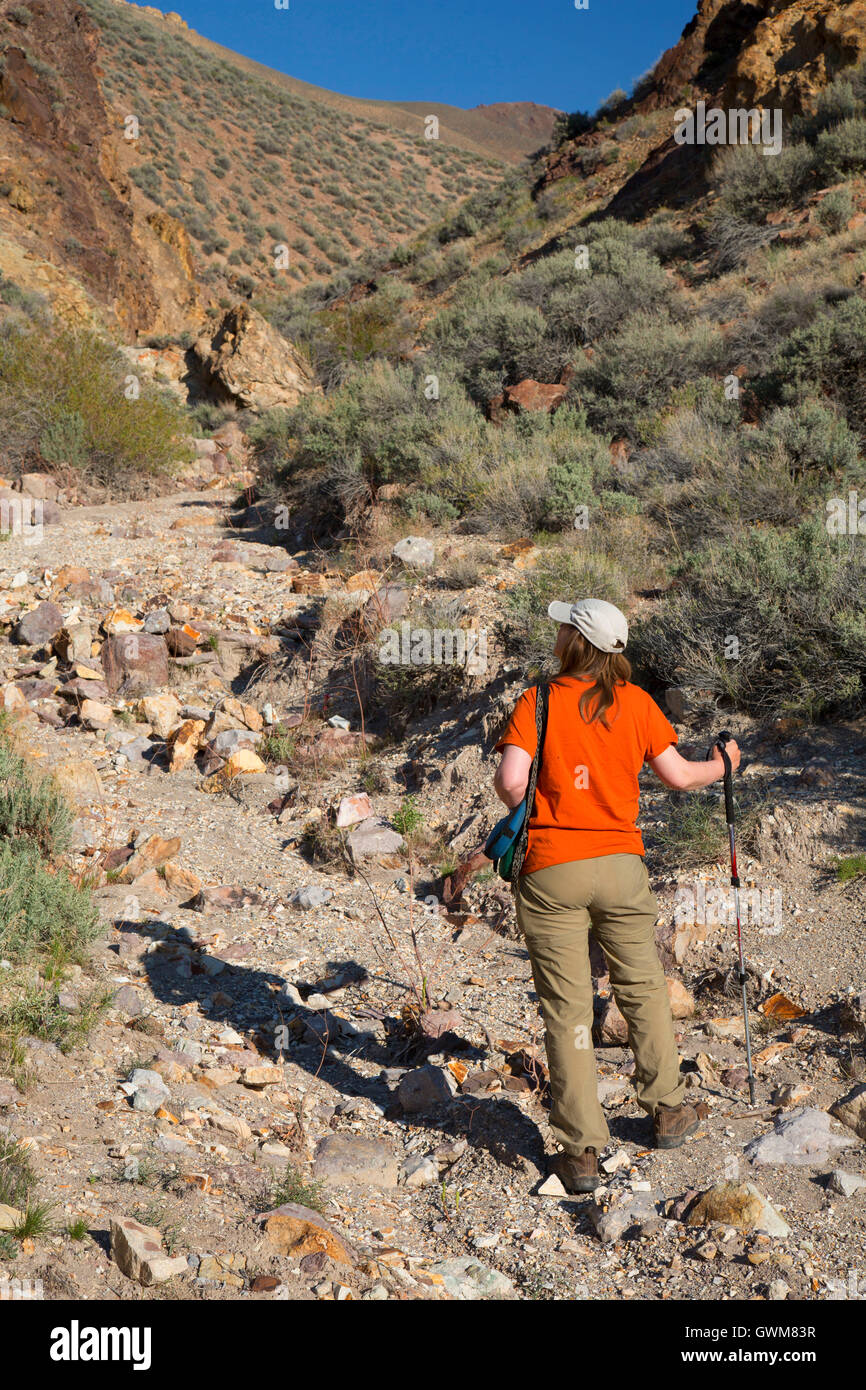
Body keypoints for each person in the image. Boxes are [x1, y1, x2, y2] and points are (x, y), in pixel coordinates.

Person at [493, 596, 741, 1193]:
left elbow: (509, 783)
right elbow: (680, 776)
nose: (553, 631)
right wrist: (725, 764)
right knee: (643, 987)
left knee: (569, 1008)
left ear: (574, 640)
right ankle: (669, 1109)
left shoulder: (539, 700)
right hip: (622, 867)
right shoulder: (636, 703)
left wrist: (542, 808)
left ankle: (581, 1153)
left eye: (561, 625)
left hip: (553, 869)